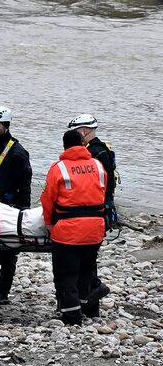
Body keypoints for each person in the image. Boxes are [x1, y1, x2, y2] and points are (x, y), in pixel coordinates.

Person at [41, 129, 109, 325]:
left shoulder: (59, 168)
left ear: (64, 146)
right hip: (95, 228)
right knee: (87, 270)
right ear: (83, 145)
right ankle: (89, 309)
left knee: (66, 274)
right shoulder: (97, 165)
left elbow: (48, 200)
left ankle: (72, 315)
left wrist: (48, 223)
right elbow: (104, 192)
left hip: (68, 231)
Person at [0, 106, 32, 305]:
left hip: (9, 207)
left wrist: (24, 210)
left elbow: (25, 183)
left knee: (8, 253)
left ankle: (2, 292)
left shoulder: (17, 152)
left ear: (6, 126)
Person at [67, 114, 117, 311]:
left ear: (84, 131)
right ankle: (89, 303)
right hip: (98, 212)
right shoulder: (103, 150)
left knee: (85, 261)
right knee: (88, 259)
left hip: (93, 212)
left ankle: (91, 297)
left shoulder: (94, 153)